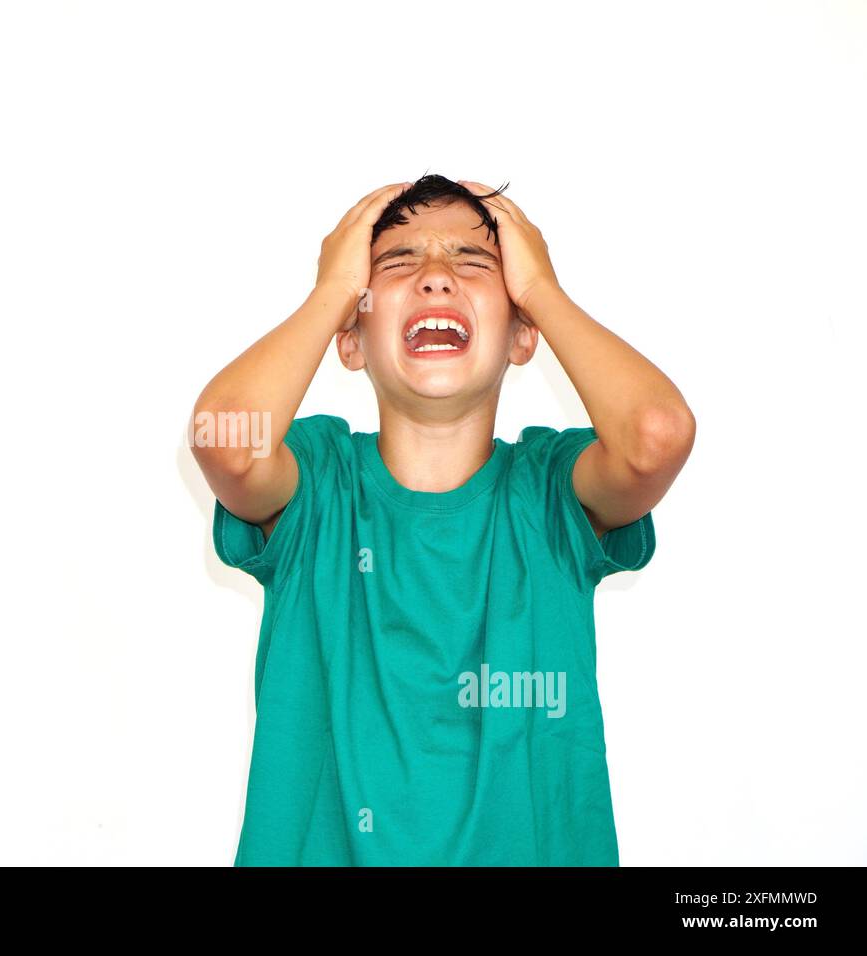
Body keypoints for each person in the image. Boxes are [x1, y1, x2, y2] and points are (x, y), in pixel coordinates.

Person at [188, 174, 696, 866]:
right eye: (397, 263)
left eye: (473, 261)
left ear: (523, 337)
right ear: (351, 338)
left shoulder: (550, 492)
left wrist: (544, 292)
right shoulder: (320, 485)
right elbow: (224, 440)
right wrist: (328, 294)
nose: (434, 279)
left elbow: (656, 435)